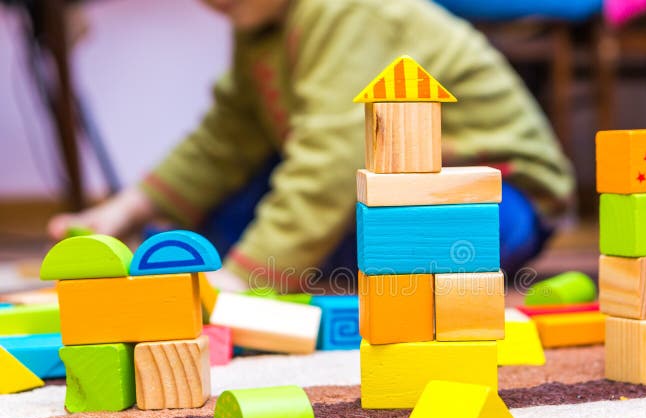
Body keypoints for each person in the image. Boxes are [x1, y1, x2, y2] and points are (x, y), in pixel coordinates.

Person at [48, 0, 574, 291]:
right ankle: (192, 252)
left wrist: (244, 278)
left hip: (496, 190)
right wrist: (128, 206)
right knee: (237, 209)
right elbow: (224, 138)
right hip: (369, 184)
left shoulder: (348, 10)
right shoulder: (258, 23)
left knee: (421, 239)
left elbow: (334, 156)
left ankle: (263, 264)